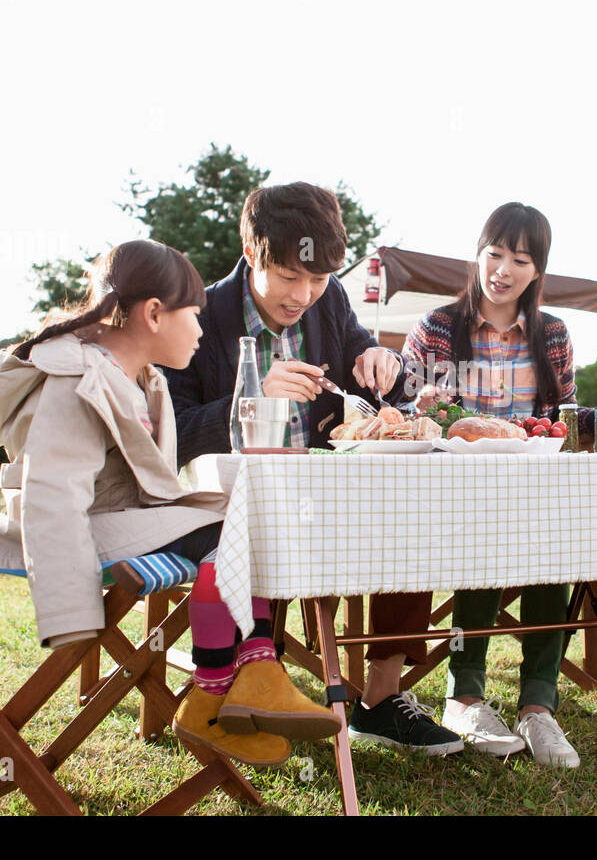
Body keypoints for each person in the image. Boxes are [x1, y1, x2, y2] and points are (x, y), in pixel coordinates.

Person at [0, 239, 341, 772]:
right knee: (230, 532)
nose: (202, 331)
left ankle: (239, 682)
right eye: (195, 316)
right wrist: (70, 610)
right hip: (83, 531)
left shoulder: (140, 379)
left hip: (123, 519)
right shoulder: (78, 382)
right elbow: (52, 499)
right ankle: (221, 690)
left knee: (246, 522)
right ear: (154, 314)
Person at [163, 182, 463, 756]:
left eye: (319, 279)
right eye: (289, 277)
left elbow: (371, 376)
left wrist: (385, 361)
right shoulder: (200, 313)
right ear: (252, 254)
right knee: (250, 533)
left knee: (415, 511)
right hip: (230, 507)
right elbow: (166, 433)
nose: (304, 295)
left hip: (327, 498)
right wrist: (246, 405)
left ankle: (380, 698)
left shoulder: (331, 301)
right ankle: (252, 679)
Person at [402, 201, 597, 768]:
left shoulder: (552, 333)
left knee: (554, 546)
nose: (502, 268)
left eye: (519, 259)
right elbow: (399, 414)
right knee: (487, 539)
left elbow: (563, 424)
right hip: (452, 494)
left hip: (534, 496)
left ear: (537, 271)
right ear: (478, 255)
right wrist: (419, 405)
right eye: (494, 253)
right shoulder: (436, 327)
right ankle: (466, 697)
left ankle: (538, 707)